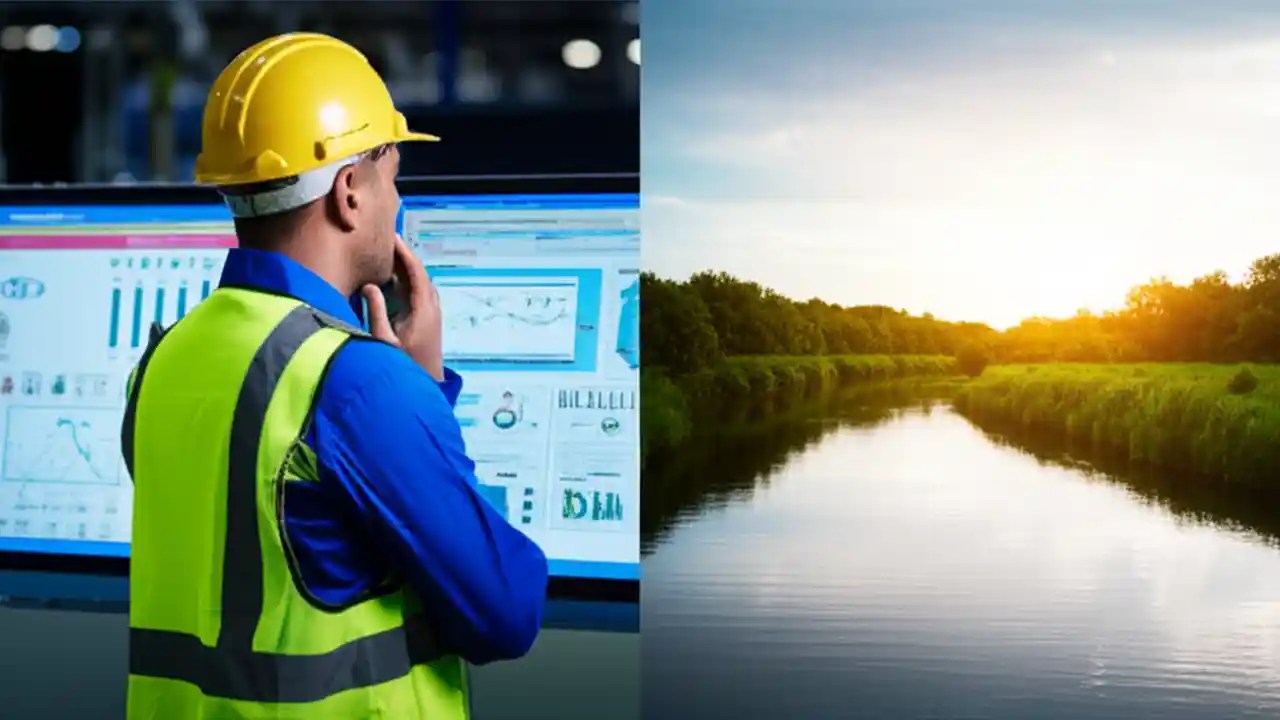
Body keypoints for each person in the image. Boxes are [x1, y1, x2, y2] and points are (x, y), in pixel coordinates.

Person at [120, 32, 548, 719]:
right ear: (350, 192)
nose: (396, 200)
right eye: (392, 175)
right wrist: (423, 388)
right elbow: (506, 611)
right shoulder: (359, 387)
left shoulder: (164, 361)